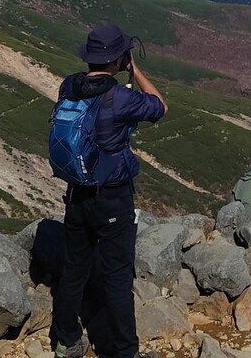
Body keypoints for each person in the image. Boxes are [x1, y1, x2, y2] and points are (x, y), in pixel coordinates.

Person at [52, 24, 167, 358]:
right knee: (117, 277)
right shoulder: (120, 97)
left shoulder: (69, 85)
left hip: (76, 193)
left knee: (74, 268)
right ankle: (124, 352)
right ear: (119, 58)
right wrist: (136, 70)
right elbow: (159, 106)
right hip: (112, 197)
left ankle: (66, 341)